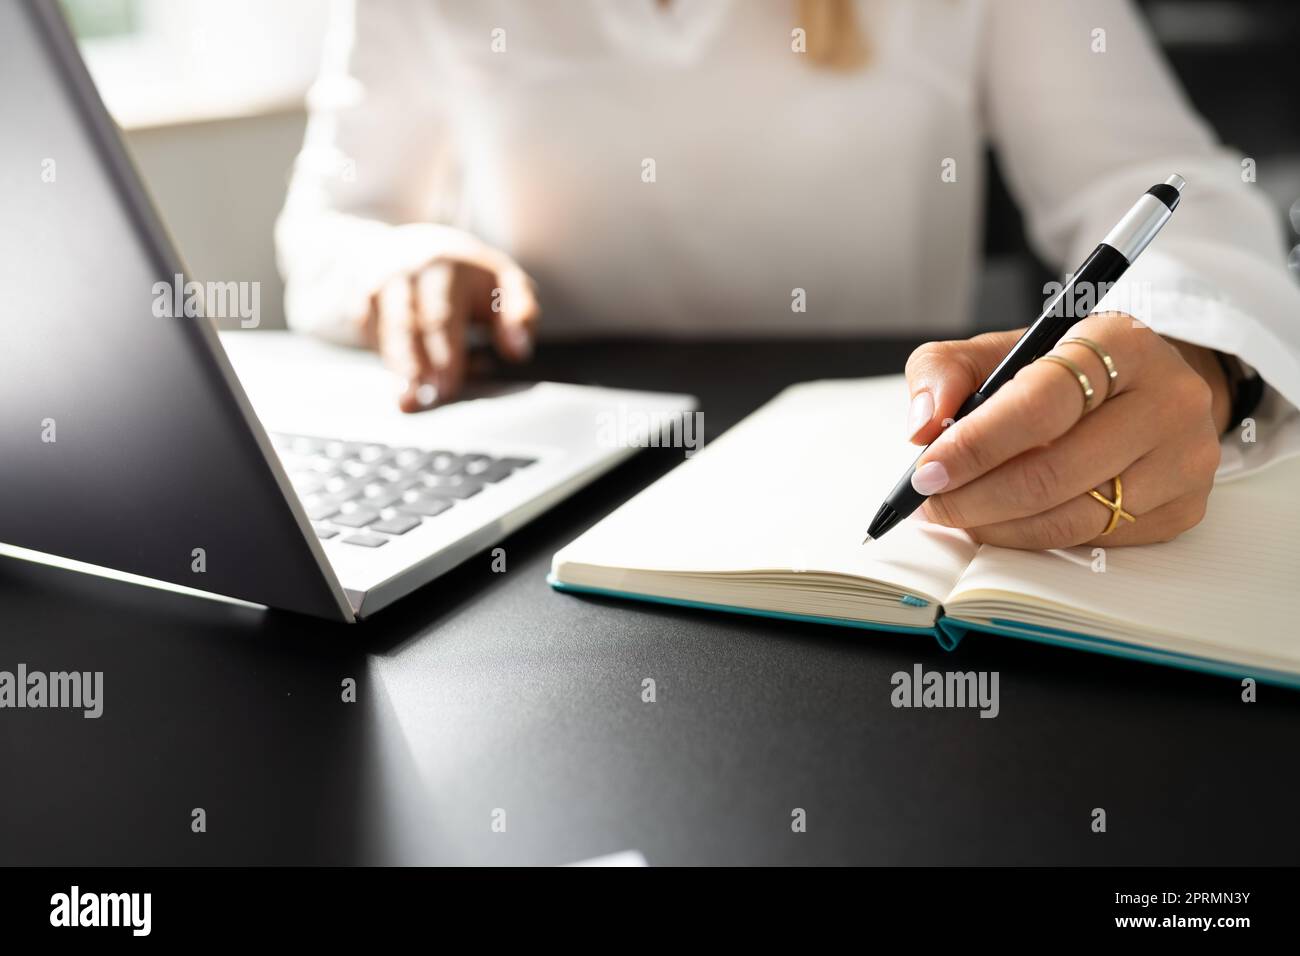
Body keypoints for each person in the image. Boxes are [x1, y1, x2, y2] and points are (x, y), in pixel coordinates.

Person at [275, 0, 1300, 550]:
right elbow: (330, 226)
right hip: (530, 509)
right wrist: (398, 259)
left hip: (877, 480)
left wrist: (1197, 354)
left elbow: (1168, 186)